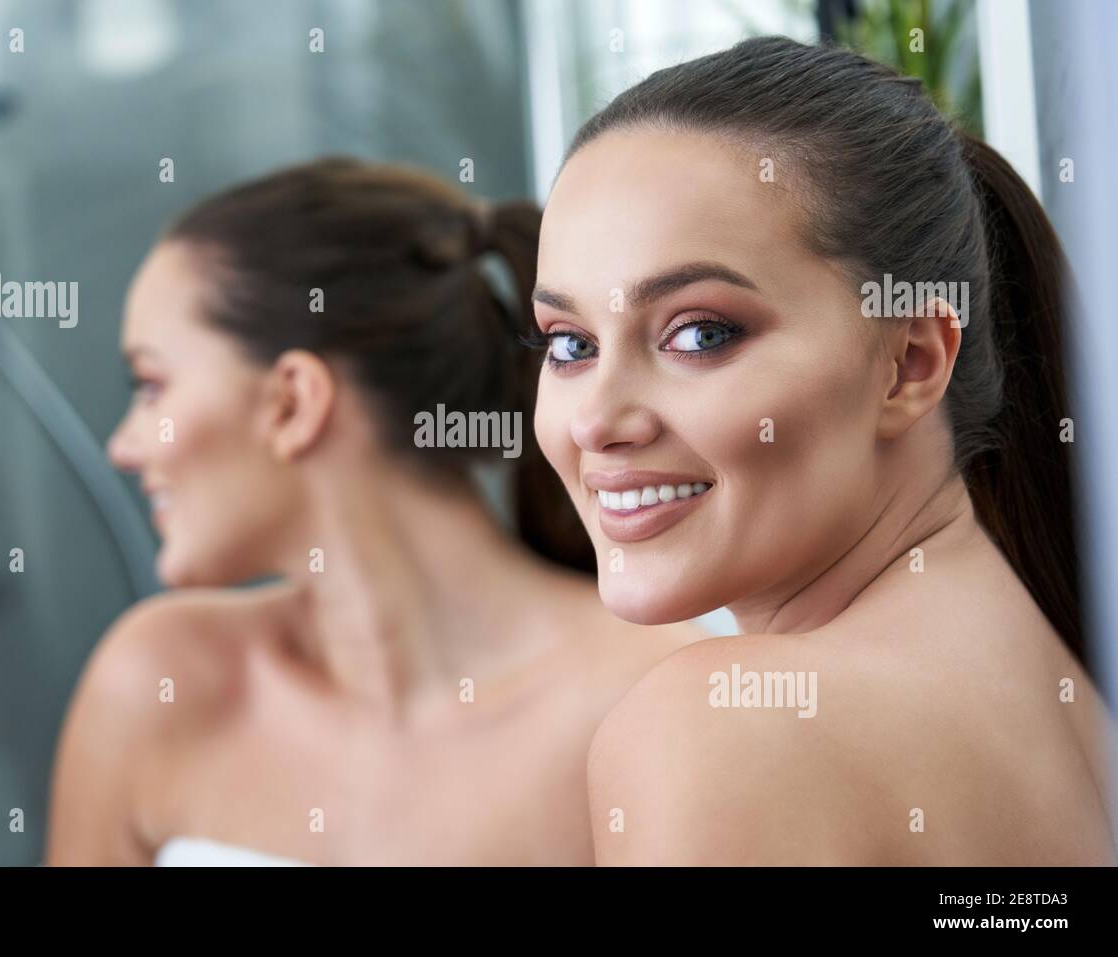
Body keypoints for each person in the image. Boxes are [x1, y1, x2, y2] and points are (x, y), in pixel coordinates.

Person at [530, 36, 1117, 865]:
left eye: (700, 333)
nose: (597, 421)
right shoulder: (1069, 691)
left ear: (910, 363)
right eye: (569, 344)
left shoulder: (719, 728)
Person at [45, 157, 705, 866]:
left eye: (151, 386)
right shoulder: (158, 685)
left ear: (293, 402)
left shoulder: (657, 710)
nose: (123, 446)